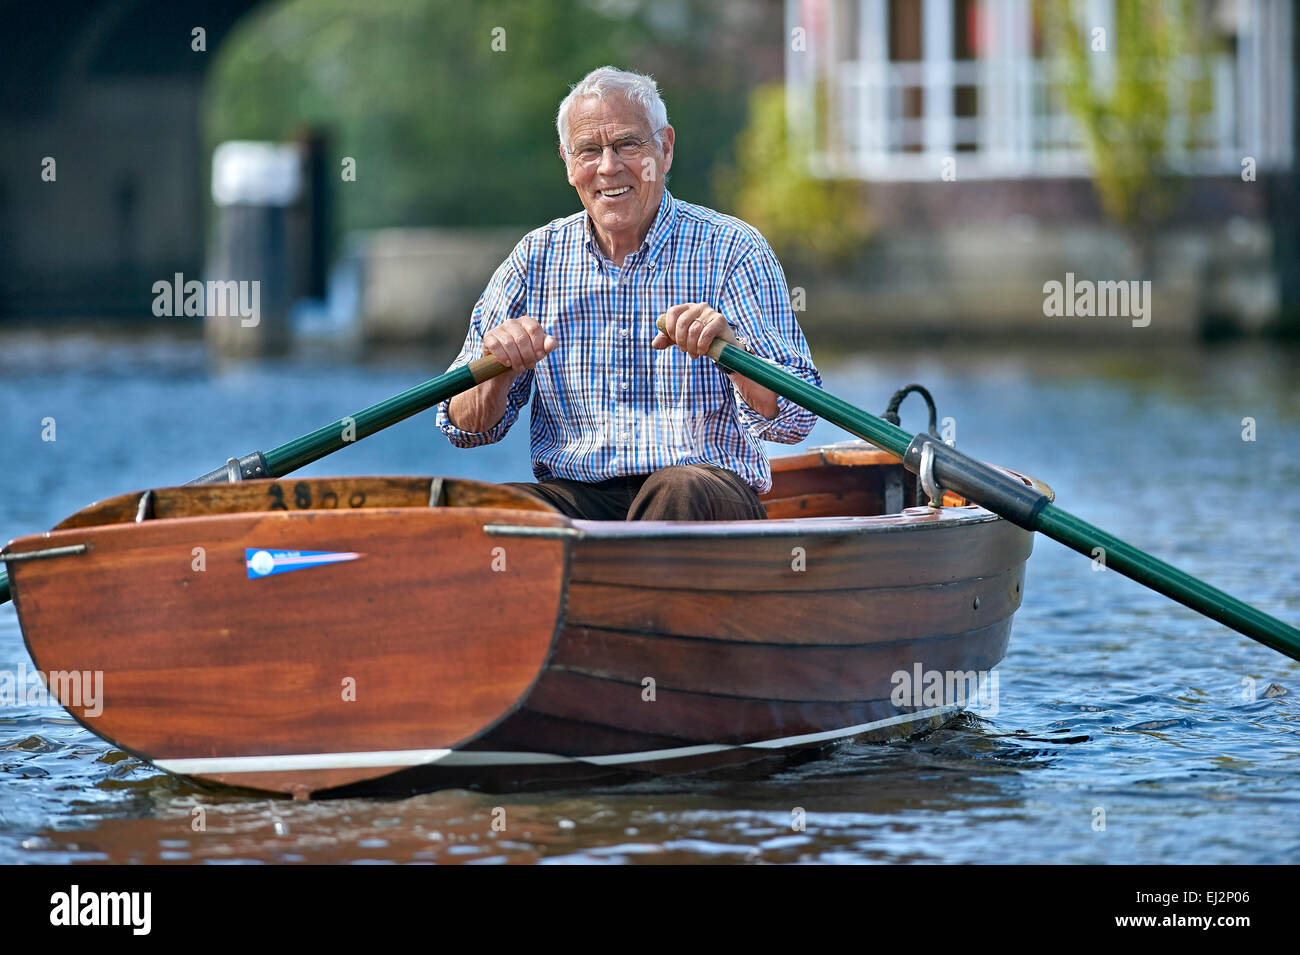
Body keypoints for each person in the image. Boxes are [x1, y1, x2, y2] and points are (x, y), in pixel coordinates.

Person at [437, 66, 821, 521]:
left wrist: (733, 352)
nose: (608, 167)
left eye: (627, 145)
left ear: (666, 148)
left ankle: (627, 589)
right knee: (485, 513)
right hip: (577, 495)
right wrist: (496, 368)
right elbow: (464, 429)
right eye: (589, 151)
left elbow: (796, 419)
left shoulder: (734, 248)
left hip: (703, 492)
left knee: (676, 488)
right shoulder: (533, 259)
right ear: (567, 163)